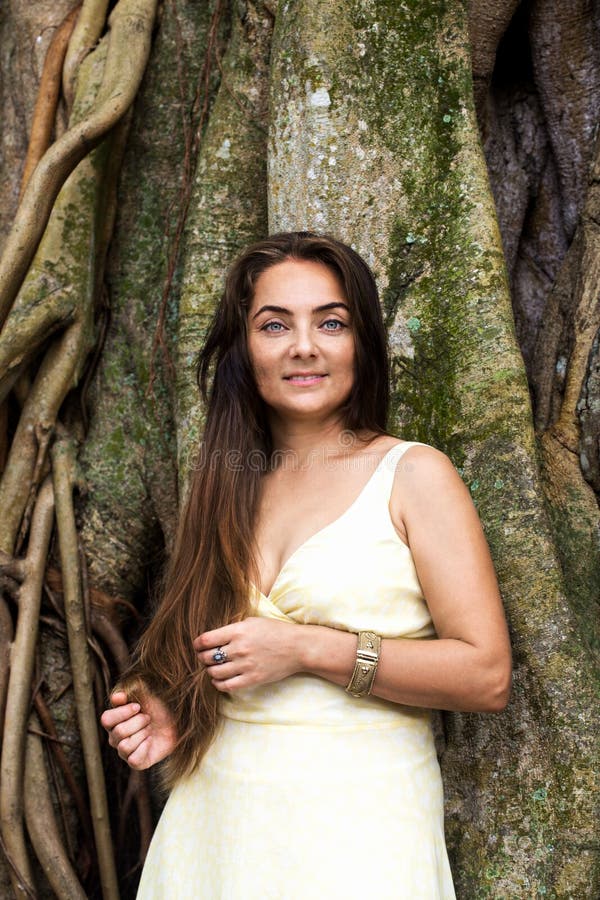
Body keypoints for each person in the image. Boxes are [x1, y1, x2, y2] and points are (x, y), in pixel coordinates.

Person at [101, 231, 512, 899]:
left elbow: (487, 675)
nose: (304, 346)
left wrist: (308, 649)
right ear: (244, 349)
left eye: (331, 322)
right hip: (216, 825)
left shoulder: (412, 476)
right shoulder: (225, 484)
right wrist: (167, 701)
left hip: (359, 827)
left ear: (361, 343)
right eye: (274, 325)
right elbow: (204, 650)